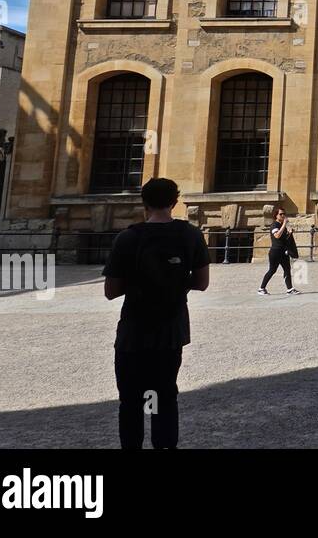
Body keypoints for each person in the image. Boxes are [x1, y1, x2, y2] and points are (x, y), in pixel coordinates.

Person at [102, 177, 210, 449]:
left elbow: (111, 291)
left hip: (133, 332)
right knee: (165, 396)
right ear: (175, 202)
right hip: (170, 331)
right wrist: (174, 283)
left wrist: (139, 283)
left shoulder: (127, 238)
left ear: (144, 203)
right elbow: (202, 283)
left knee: (130, 401)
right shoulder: (190, 235)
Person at [258, 207, 300, 295]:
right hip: (275, 252)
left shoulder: (281, 226)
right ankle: (261, 288)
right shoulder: (274, 225)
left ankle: (290, 289)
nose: (283, 215)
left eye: (284, 214)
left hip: (283, 252)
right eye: (281, 214)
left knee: (287, 269)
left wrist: (289, 232)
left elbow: (283, 238)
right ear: (276, 216)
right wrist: (284, 224)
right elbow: (277, 236)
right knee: (272, 270)